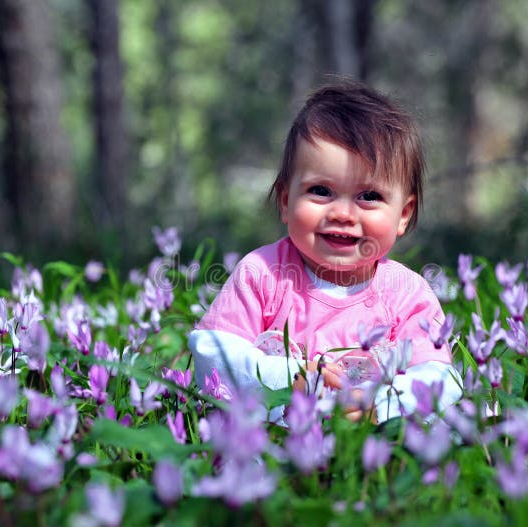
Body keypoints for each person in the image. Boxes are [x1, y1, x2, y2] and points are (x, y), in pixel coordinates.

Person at [188, 80, 461, 423]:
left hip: (371, 454)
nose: (342, 214)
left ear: (403, 215)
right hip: (271, 448)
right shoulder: (260, 273)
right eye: (321, 191)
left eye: (369, 196)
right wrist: (288, 383)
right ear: (286, 201)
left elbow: (441, 381)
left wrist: (381, 404)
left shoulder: (408, 294)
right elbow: (213, 355)